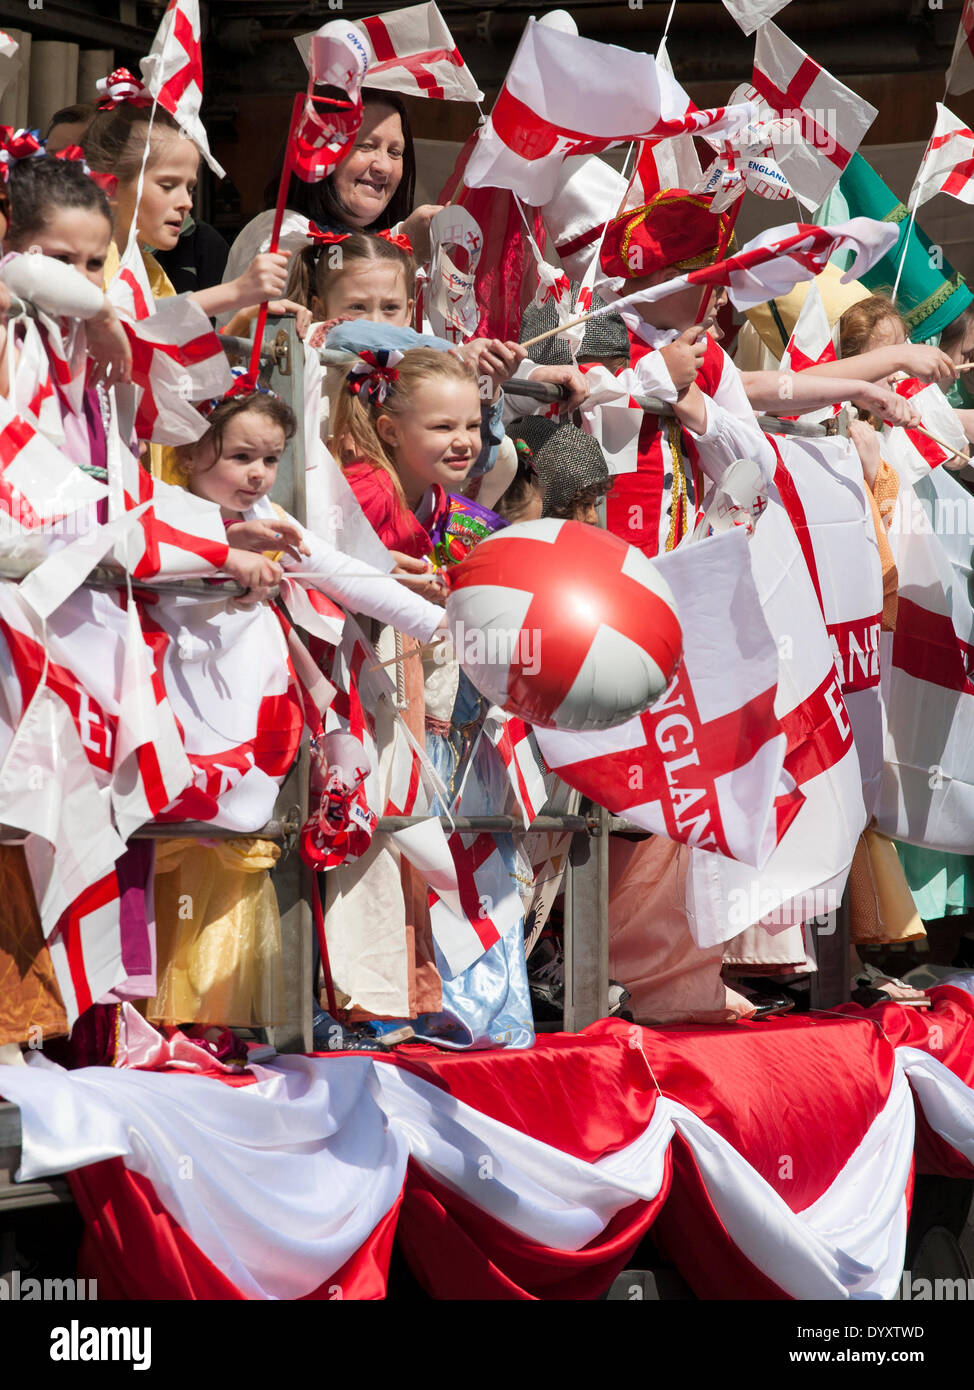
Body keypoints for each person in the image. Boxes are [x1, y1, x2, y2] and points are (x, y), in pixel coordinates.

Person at [147, 376, 449, 1028]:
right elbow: (145, 564)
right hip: (176, 714)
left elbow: (344, 574)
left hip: (251, 719)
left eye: (271, 459)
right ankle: (150, 1023)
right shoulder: (163, 512)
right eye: (240, 457)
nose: (258, 475)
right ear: (193, 450)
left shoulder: (272, 522)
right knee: (167, 865)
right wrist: (222, 557)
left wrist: (441, 624)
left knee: (232, 866)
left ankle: (206, 1022)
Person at [326, 347, 535, 1049]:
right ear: (389, 431)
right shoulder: (356, 491)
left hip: (441, 714)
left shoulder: (468, 518)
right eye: (442, 427)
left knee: (453, 840)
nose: (464, 441)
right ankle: (362, 1002)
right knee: (378, 843)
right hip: (358, 695)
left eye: (473, 424)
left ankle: (454, 999)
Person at [221, 90, 440, 306]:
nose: (383, 166)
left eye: (394, 152)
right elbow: (339, 317)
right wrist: (403, 245)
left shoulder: (369, 235)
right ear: (319, 150)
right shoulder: (279, 231)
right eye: (365, 145)